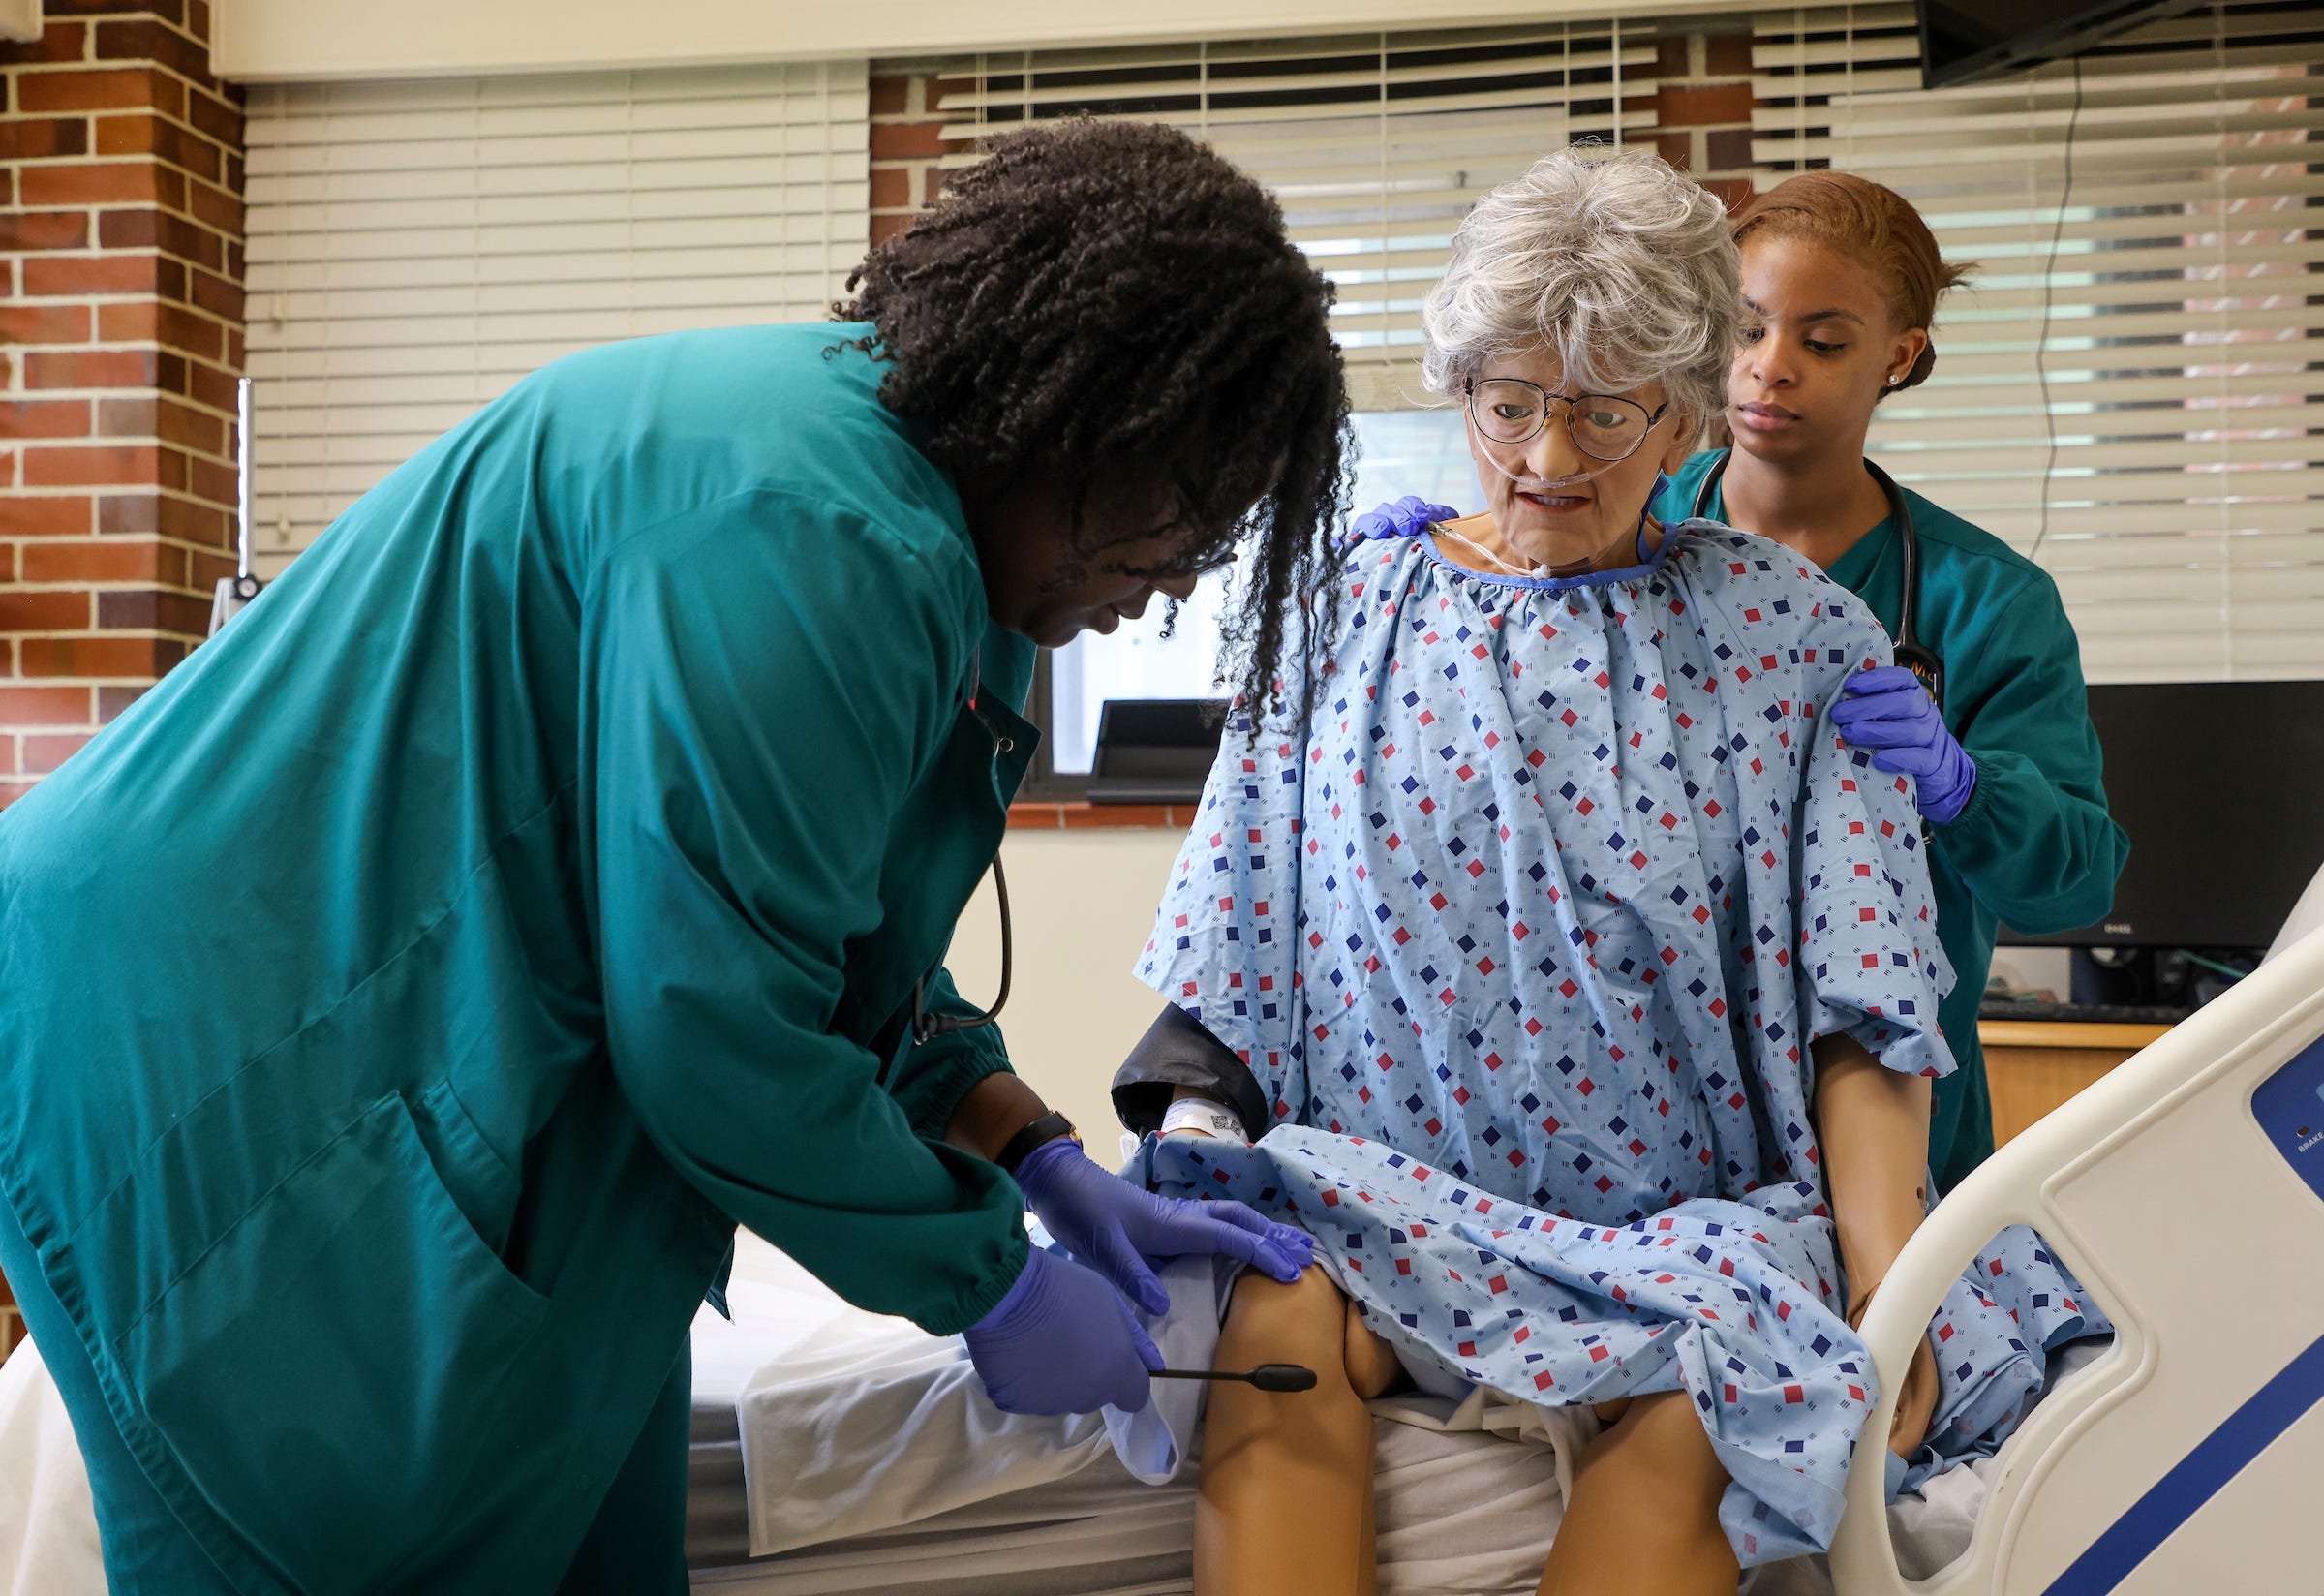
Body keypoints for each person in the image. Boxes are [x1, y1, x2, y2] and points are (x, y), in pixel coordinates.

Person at [0, 120, 1339, 1596]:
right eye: (1169, 533)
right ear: (1081, 422)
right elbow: (717, 1032)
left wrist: (1036, 1149)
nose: (1161, 591)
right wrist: (991, 1282)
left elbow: (821, 949)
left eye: (1203, 561)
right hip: (220, 1034)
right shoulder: (811, 524)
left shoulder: (954, 576)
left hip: (425, 1004)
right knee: (319, 1530)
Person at [1114, 147, 2104, 1596]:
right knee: (1271, 1313)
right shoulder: (1341, 616)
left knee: (1719, 1390)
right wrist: (1190, 1147)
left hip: (1692, 1223)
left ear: (1683, 411)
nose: (1550, 459)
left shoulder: (1798, 638)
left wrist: (1892, 1278)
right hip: (1386, 1196)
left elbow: (1865, 996)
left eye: (1603, 414)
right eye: (1508, 407)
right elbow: (1231, 947)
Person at [1655, 172, 2129, 1191]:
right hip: (1654, 1119)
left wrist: (1964, 788)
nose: (1768, 369)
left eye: (1823, 343)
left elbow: (2082, 877)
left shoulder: (1988, 602)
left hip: (1899, 1136)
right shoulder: (1619, 541)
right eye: (1745, 330)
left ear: (1900, 356)